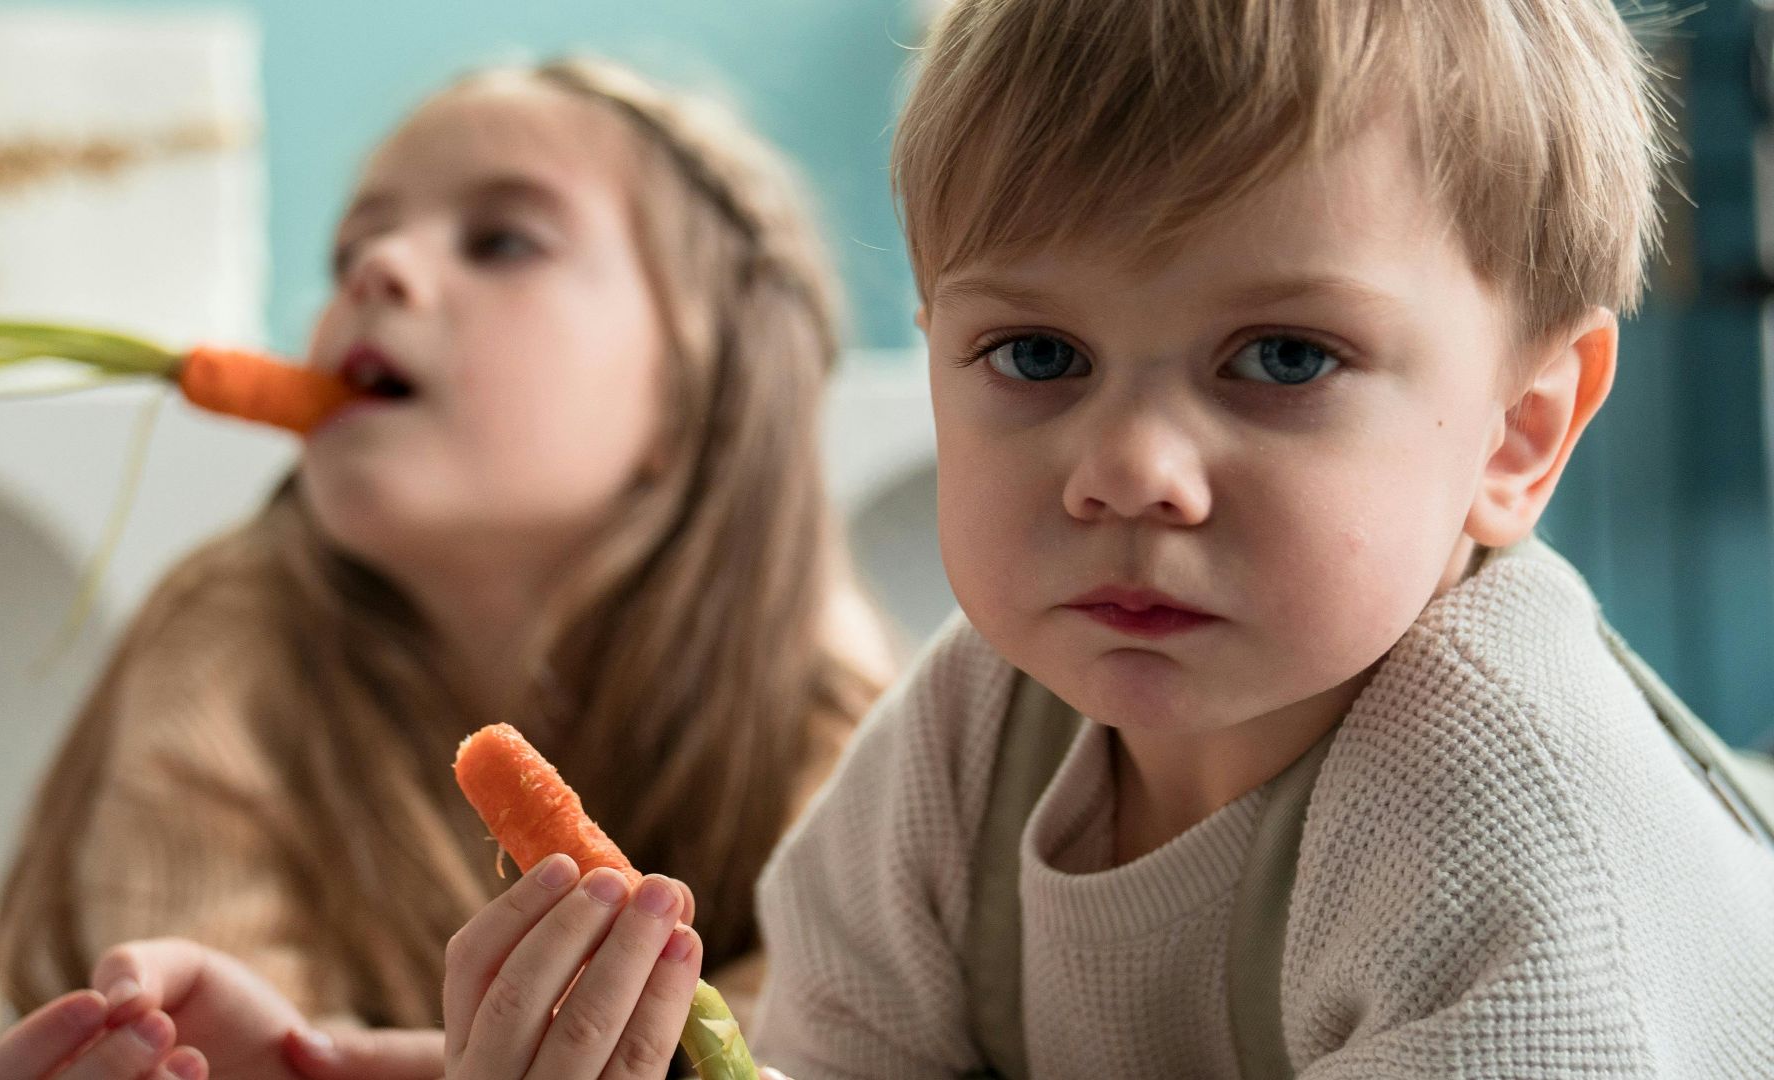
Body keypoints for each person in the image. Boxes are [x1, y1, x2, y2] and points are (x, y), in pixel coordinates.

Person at [746, 0, 1774, 1075]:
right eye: (1038, 355)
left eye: (1284, 357)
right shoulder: (967, 739)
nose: (1131, 473)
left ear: (1519, 434)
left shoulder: (1514, 850)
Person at [0, 54, 889, 1079]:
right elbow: (245, 1036)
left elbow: (849, 1034)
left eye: (501, 239)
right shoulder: (233, 634)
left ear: (698, 390)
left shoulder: (831, 693)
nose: (380, 269)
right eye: (352, 247)